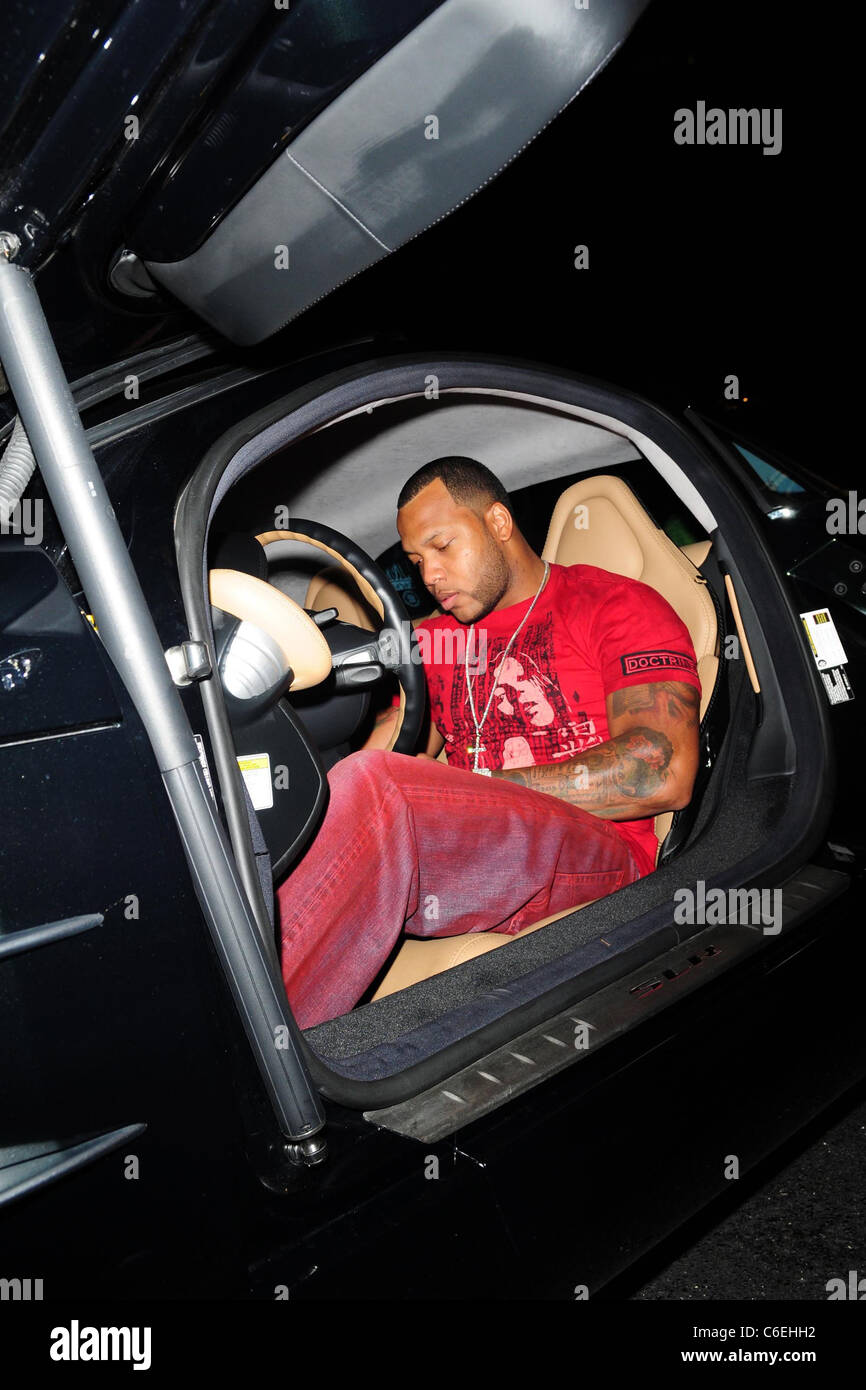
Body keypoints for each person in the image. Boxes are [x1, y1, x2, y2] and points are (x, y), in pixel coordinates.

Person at [278, 456, 701, 1028]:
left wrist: (471, 788)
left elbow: (659, 772)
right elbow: (383, 758)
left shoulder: (613, 605)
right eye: (417, 561)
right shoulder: (434, 640)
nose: (430, 576)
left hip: (603, 854)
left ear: (498, 522)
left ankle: (257, 1043)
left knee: (383, 791)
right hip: (489, 855)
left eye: (442, 546)